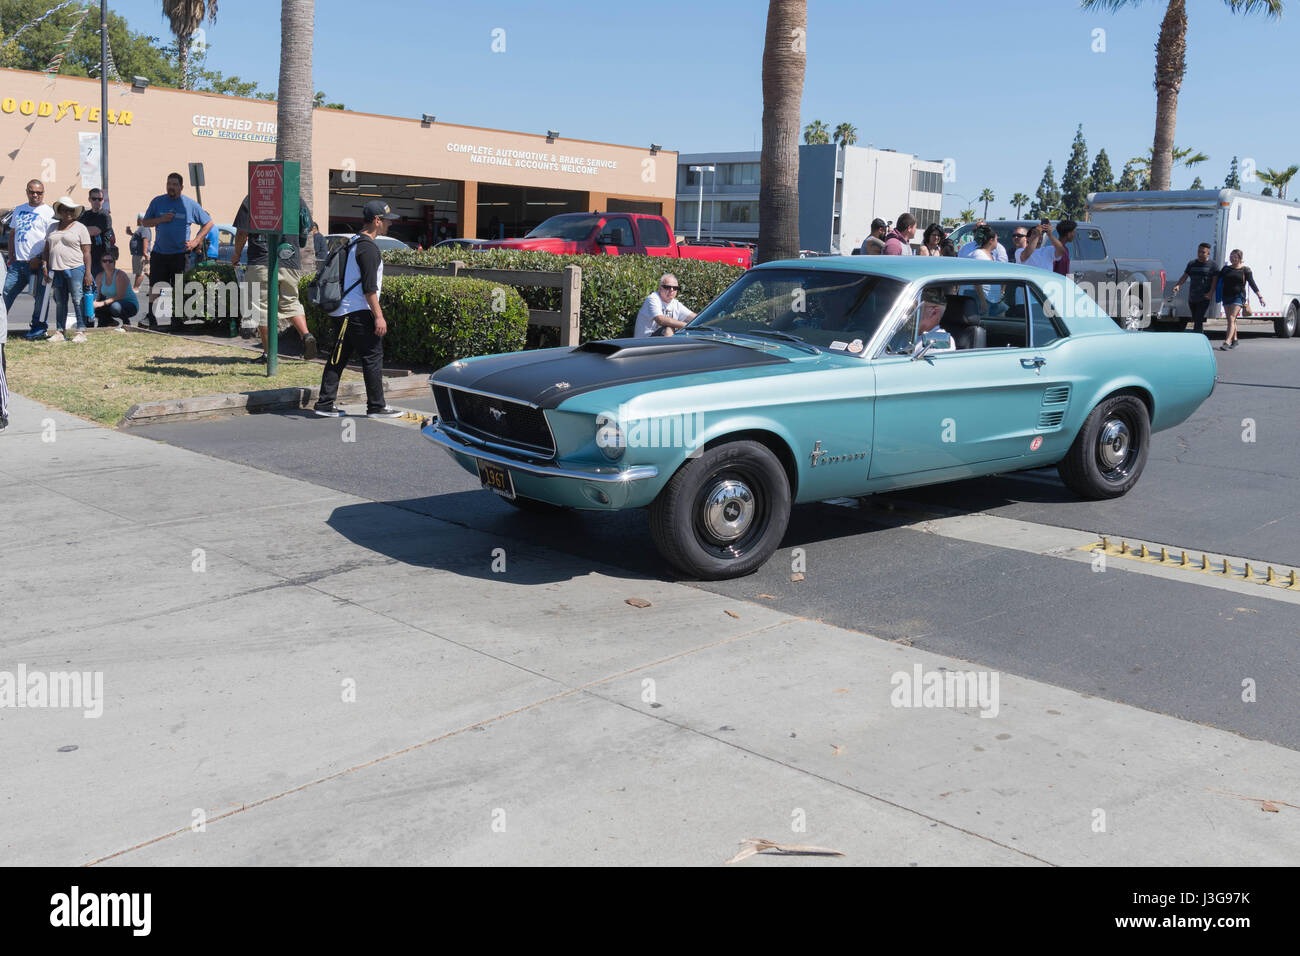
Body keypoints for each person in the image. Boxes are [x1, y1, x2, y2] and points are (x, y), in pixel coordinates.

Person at [313, 200, 402, 418]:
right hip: (357, 312)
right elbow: (369, 289)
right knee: (372, 356)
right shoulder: (368, 248)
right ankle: (376, 407)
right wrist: (379, 317)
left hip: (344, 311)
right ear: (376, 221)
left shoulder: (353, 242)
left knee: (339, 356)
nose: (389, 225)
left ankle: (325, 404)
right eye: (387, 221)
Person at [231, 188, 318, 363]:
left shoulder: (253, 197)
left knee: (261, 308)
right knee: (291, 302)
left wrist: (236, 254)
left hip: (261, 261)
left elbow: (242, 232)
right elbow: (306, 228)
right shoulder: (295, 198)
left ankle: (268, 355)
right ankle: (306, 335)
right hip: (290, 260)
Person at [140, 172, 213, 331]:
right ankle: (151, 318)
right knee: (155, 287)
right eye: (169, 184)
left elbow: (208, 223)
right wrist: (161, 219)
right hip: (160, 253)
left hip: (180, 254)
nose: (171, 187)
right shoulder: (157, 202)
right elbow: (145, 222)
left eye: (174, 184)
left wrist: (195, 241)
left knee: (179, 287)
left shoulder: (190, 204)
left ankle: (177, 320)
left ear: (181, 187)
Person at [7, 180, 56, 340]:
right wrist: (12, 256)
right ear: (27, 191)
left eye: (39, 192)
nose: (35, 195)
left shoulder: (48, 212)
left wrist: (41, 258)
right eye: (32, 192)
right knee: (5, 293)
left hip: (37, 264)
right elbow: (13, 233)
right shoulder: (19, 209)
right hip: (17, 264)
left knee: (41, 298)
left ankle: (38, 329)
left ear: (43, 193)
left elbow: (52, 240)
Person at [39, 197, 93, 342]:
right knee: (60, 301)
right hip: (56, 269)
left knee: (77, 298)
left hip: (76, 267)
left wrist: (88, 273)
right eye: (64, 210)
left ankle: (81, 331)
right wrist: (45, 265)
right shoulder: (52, 227)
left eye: (70, 210)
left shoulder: (80, 227)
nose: (67, 212)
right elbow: (46, 249)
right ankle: (59, 331)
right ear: (59, 212)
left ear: (74, 212)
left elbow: (87, 252)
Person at [1216, 249, 1263, 350]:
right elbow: (1217, 280)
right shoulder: (1225, 269)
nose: (1232, 258)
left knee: (1232, 318)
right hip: (1226, 296)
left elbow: (1252, 283)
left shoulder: (1245, 270)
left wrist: (1260, 297)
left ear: (1240, 258)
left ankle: (1227, 342)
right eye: (1231, 256)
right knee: (1230, 320)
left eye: (1235, 257)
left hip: (1238, 297)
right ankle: (1235, 340)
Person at [1170, 242, 1216, 334]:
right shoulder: (1192, 264)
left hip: (1204, 296)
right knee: (1195, 318)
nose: (1200, 254)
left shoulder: (1212, 265)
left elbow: (1215, 280)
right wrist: (1178, 285)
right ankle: (1200, 334)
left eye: (1203, 252)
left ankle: (1197, 336)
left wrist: (1211, 293)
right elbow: (1185, 276)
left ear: (1208, 253)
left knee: (1199, 318)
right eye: (1199, 252)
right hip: (1193, 296)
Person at [91, 249, 138, 326]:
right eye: (104, 261)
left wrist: (102, 303)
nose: (107, 263)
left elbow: (120, 296)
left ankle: (126, 323)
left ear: (114, 263)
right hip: (111, 303)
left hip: (129, 305)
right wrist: (94, 303)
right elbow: (98, 295)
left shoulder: (120, 275)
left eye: (110, 261)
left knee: (115, 307)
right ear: (101, 263)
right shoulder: (99, 276)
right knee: (94, 306)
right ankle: (109, 322)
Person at [77, 188, 115, 277]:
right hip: (85, 256)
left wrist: (79, 229)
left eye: (100, 199)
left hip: (101, 258)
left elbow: (94, 231)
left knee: (99, 286)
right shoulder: (85, 215)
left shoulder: (104, 216)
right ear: (89, 199)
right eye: (94, 199)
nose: (97, 201)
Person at [126, 213, 151, 295]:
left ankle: (135, 288)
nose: (137, 220)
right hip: (139, 254)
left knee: (140, 272)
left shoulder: (144, 228)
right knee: (146, 271)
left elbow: (145, 239)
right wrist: (131, 233)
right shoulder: (142, 228)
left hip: (141, 254)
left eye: (138, 219)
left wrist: (144, 252)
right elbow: (139, 238)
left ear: (141, 219)